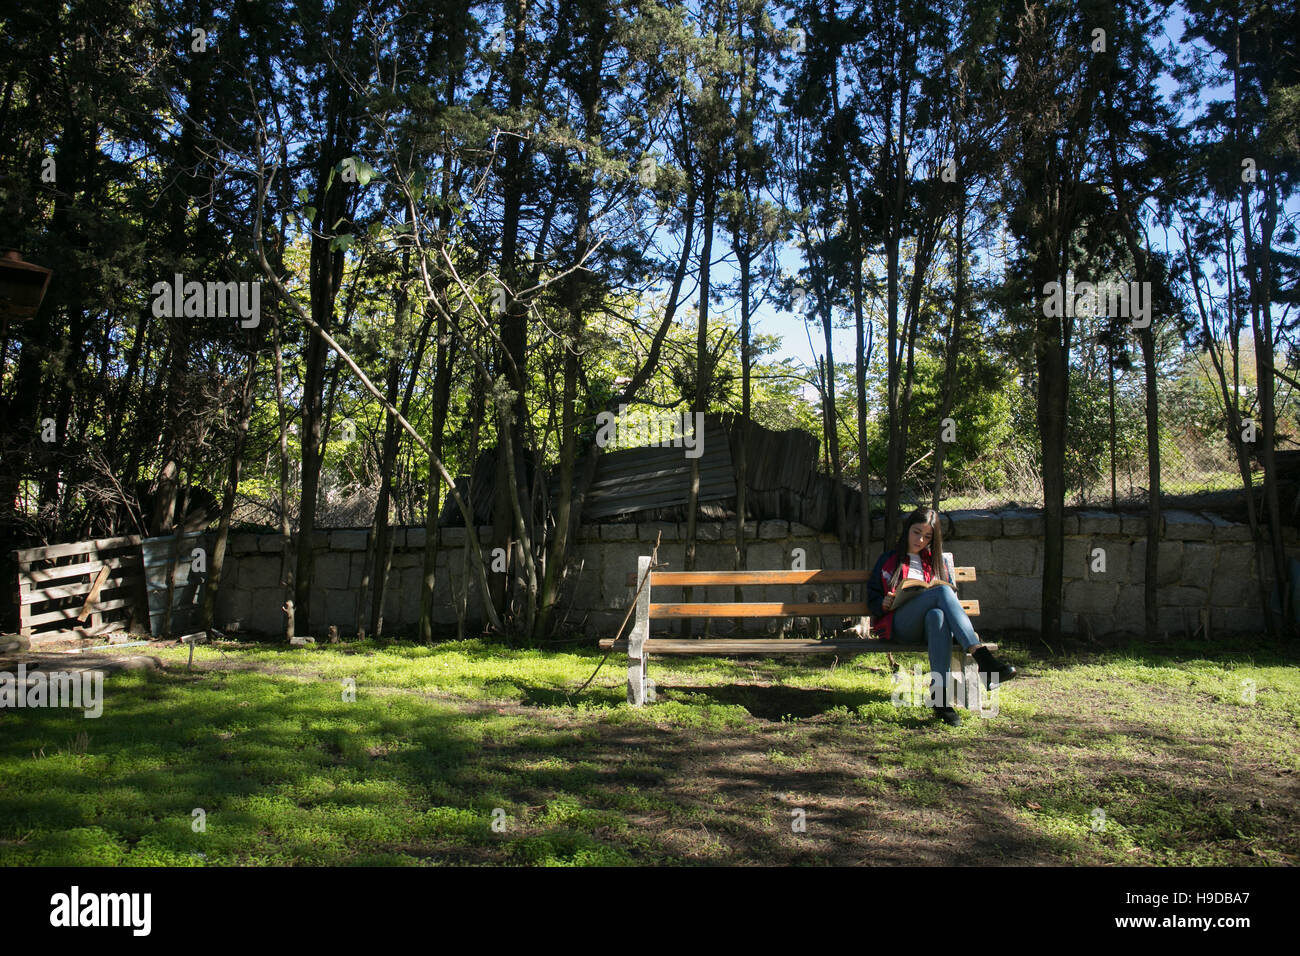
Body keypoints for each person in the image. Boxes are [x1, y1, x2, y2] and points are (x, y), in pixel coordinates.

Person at [866, 507, 1017, 726]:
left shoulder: (937, 562)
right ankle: (983, 658)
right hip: (899, 625)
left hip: (929, 627)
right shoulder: (888, 560)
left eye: (927, 537)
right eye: (916, 532)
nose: (920, 540)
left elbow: (948, 602)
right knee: (942, 592)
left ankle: (940, 698)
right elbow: (872, 597)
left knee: (937, 614)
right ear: (907, 529)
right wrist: (883, 602)